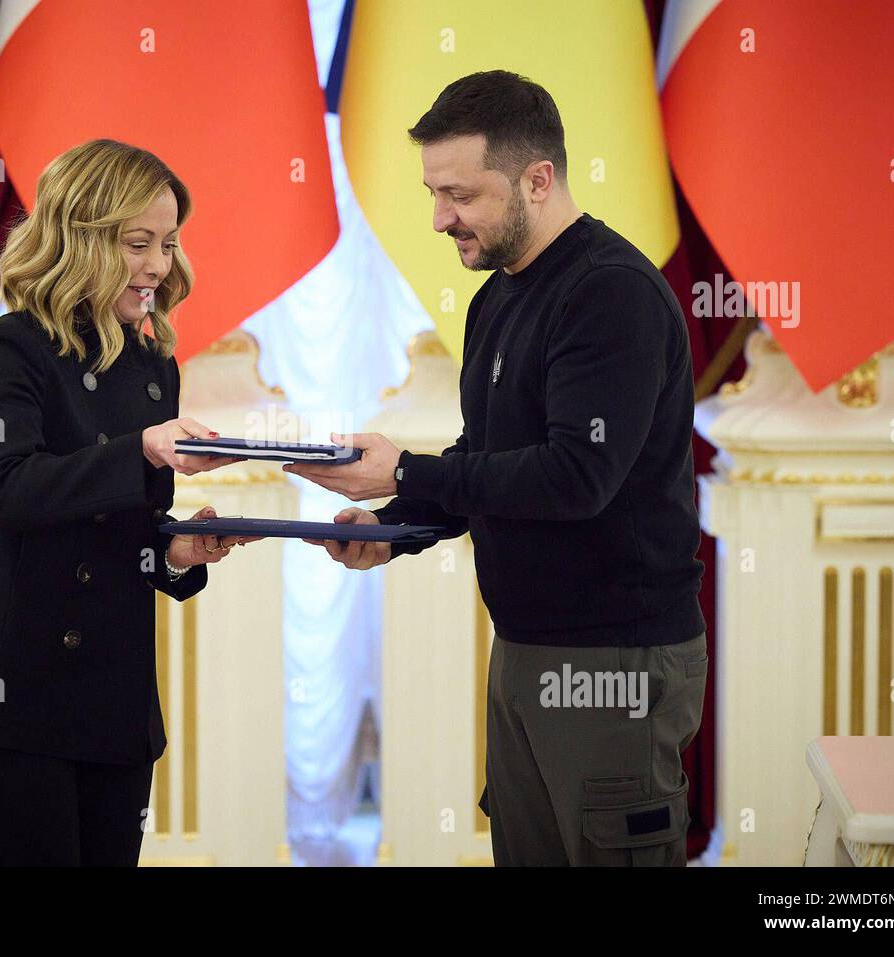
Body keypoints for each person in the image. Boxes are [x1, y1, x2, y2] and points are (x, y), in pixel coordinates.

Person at [287, 72, 707, 866]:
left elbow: (574, 478)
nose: (442, 218)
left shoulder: (610, 294)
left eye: (461, 195)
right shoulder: (497, 298)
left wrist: (406, 473)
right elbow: (492, 470)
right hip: (523, 648)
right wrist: (393, 530)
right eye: (434, 193)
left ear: (537, 180)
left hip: (612, 659)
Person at [0, 139, 254, 866]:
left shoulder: (154, 363)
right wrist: (143, 450)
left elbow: (123, 529)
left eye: (167, 242)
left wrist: (175, 549)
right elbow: (9, 490)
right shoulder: (9, 351)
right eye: (138, 243)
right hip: (8, 705)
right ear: (80, 238)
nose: (159, 264)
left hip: (112, 708)